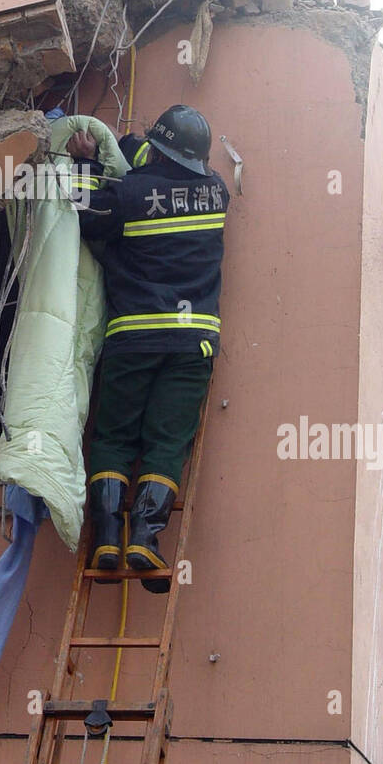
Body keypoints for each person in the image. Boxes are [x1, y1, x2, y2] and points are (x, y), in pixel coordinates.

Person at [69, 105, 229, 592]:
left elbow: (85, 211)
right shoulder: (216, 192)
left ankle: (106, 540)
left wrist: (87, 164)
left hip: (134, 337)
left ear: (155, 150)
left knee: (115, 437)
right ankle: (145, 536)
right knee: (167, 442)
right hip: (193, 341)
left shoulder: (128, 194)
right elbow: (158, 166)